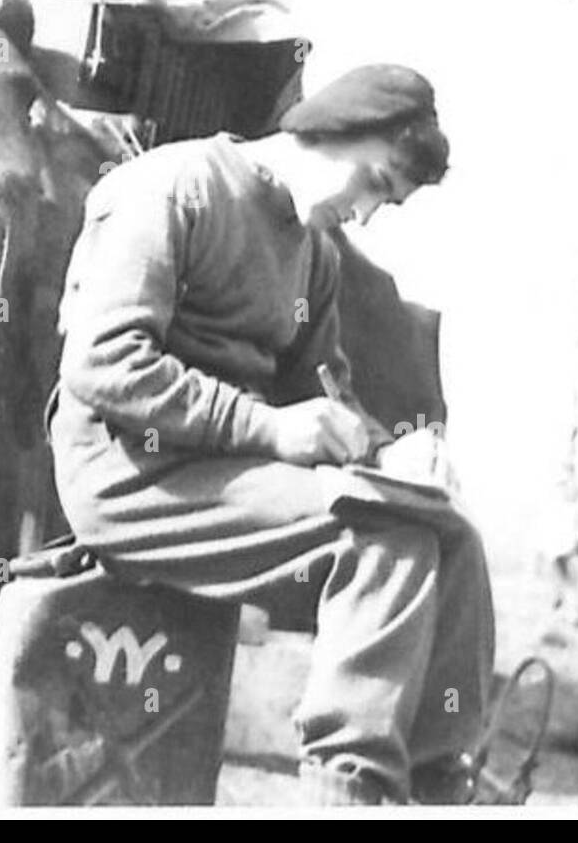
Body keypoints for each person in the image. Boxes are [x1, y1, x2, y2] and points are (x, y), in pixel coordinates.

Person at [47, 63, 496, 805]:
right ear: (337, 129)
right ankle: (347, 788)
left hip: (229, 474)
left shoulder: (310, 250)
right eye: (376, 182)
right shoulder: (174, 187)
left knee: (451, 535)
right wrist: (266, 427)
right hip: (128, 470)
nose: (364, 213)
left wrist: (388, 450)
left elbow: (323, 391)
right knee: (380, 535)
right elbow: (102, 362)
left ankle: (440, 782)